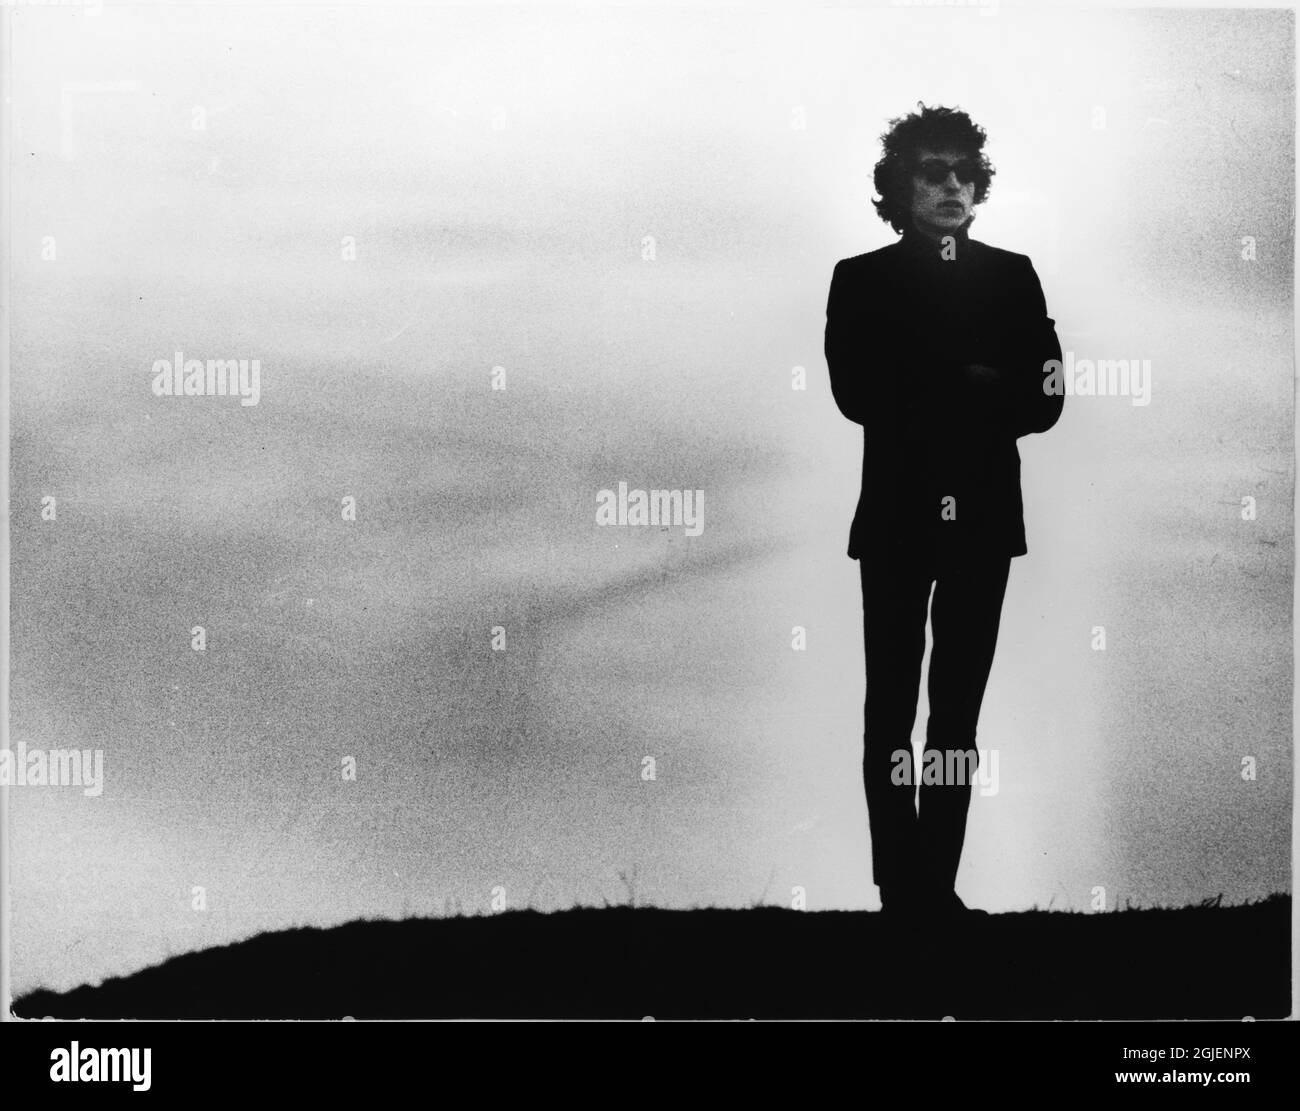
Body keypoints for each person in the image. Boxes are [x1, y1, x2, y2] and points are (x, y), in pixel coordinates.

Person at [823, 104, 1064, 920]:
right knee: (890, 705)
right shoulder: (860, 277)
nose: (952, 184)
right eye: (933, 170)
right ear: (900, 186)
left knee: (956, 710)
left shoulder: (1013, 273)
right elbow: (857, 393)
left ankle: (934, 886)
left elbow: (1048, 395)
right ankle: (904, 889)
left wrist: (953, 384)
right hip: (895, 517)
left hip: (986, 522)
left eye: (963, 170)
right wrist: (979, 382)